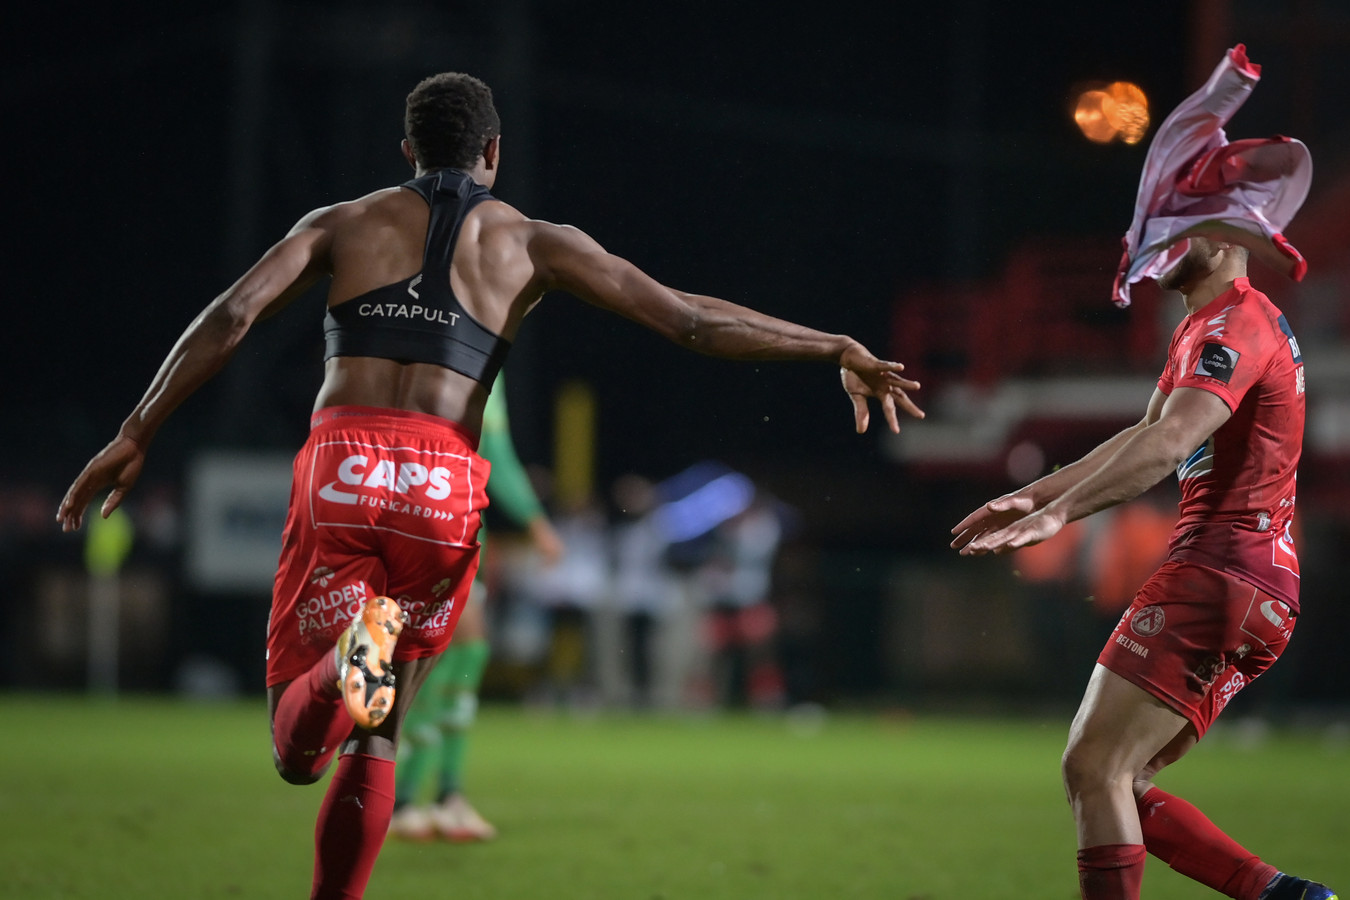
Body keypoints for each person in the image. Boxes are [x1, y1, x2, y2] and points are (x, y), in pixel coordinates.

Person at [56, 72, 923, 900]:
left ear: (407, 149)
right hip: (441, 483)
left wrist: (137, 429)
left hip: (347, 463)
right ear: (494, 152)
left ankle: (344, 659)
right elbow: (690, 320)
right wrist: (833, 344)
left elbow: (233, 316)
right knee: (380, 732)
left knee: (298, 747)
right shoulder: (535, 242)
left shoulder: (341, 222)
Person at [952, 235, 1332, 899]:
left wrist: (1058, 517)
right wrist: (1037, 494)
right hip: (1259, 589)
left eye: (1171, 227)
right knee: (1117, 779)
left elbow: (1169, 443)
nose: (1146, 242)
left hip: (1218, 571)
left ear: (1220, 242)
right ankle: (1284, 896)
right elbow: (1143, 430)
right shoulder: (1214, 322)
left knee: (1093, 767)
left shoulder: (1234, 324)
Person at [388, 377, 564, 843]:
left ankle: (443, 796)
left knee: (465, 654)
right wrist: (536, 521)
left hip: (454, 519)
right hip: (434, 518)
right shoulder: (474, 355)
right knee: (443, 655)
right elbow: (497, 456)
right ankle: (404, 797)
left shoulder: (484, 357)